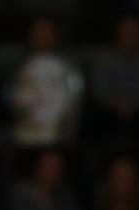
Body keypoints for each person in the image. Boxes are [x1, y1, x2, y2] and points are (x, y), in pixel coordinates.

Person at [9, 16, 84, 149]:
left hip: (58, 134)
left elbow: (75, 97)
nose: (42, 37)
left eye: (47, 33)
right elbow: (11, 96)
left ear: (56, 36)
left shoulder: (68, 67)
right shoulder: (20, 66)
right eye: (38, 32)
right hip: (25, 133)